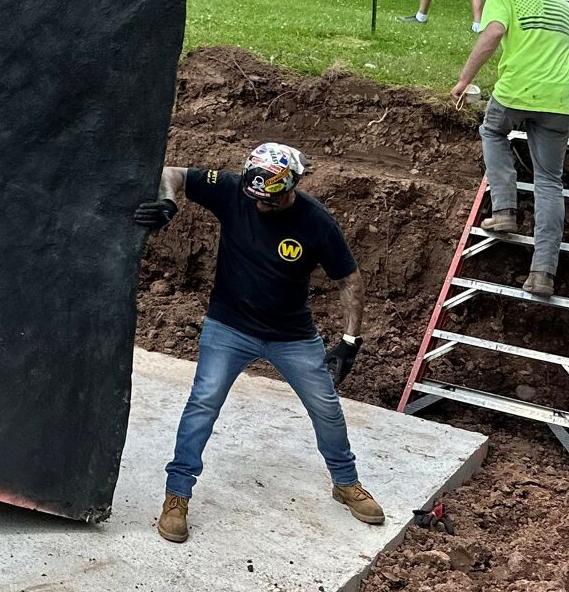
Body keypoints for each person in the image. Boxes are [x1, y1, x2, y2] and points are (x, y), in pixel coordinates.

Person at [132, 143, 385, 544]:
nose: (260, 208)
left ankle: (345, 482)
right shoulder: (236, 191)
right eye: (255, 199)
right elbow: (173, 172)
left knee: (327, 408)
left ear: (291, 186)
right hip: (228, 327)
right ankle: (176, 496)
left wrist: (349, 341)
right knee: (203, 403)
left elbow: (348, 280)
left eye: (269, 201)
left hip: (293, 336)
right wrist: (167, 202)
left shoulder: (317, 222)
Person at [449, 0, 569, 299]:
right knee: (549, 182)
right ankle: (543, 273)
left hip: (517, 91)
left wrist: (464, 80)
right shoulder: (561, 3)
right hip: (559, 98)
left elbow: (493, 32)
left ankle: (505, 208)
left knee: (492, 132)